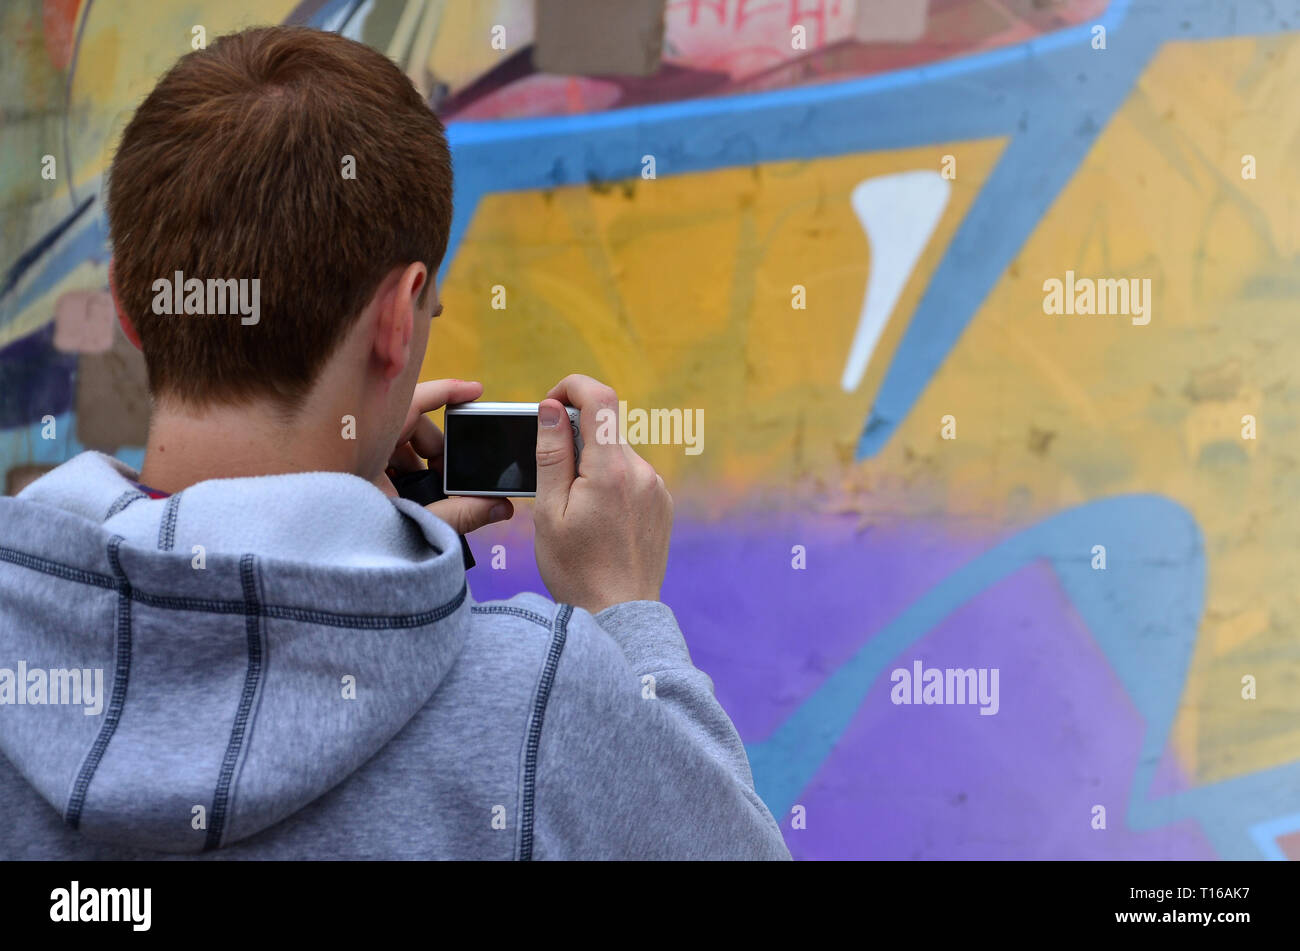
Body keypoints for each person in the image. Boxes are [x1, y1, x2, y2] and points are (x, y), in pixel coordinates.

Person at [0, 25, 789, 860]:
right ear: (396, 317)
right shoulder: (539, 704)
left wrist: (345, 545)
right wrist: (626, 613)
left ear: (126, 302)